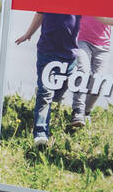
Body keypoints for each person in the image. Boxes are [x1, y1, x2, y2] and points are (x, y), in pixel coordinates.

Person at [15, 11, 81, 146]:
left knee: (58, 91)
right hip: (47, 51)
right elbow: (39, 14)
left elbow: (100, 16)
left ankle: (52, 98)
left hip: (70, 55)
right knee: (45, 94)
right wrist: (28, 34)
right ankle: (40, 134)